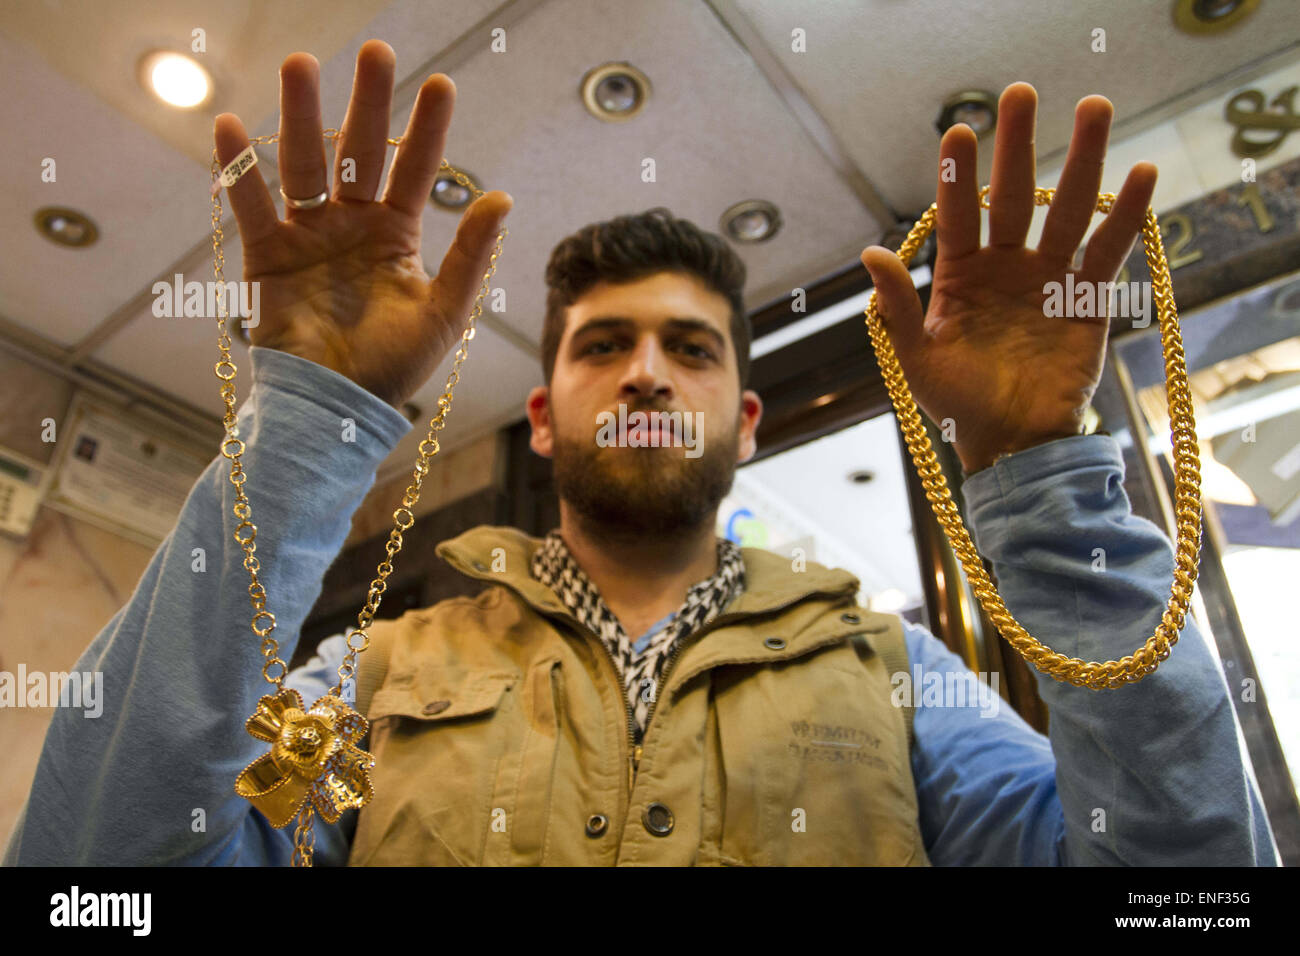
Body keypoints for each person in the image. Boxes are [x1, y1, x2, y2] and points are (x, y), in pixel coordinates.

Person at [4, 40, 1277, 866]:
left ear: (745, 419)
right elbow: (100, 882)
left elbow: (1182, 890)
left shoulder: (892, 665)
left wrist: (1037, 460)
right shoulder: (372, 671)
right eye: (604, 344)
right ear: (543, 415)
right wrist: (304, 415)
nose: (652, 371)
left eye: (694, 349)